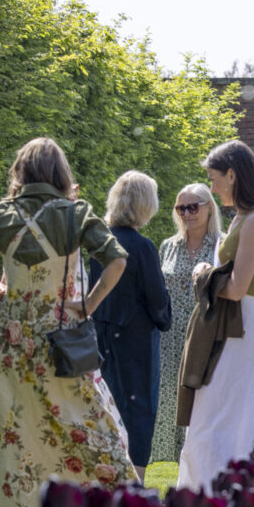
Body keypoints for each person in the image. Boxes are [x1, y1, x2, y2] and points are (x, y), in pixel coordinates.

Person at [0, 137, 137, 507]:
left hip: (9, 339)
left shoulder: (1, 215)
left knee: (11, 429)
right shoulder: (76, 214)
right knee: (89, 418)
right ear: (60, 174)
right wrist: (89, 304)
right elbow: (116, 259)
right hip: (60, 334)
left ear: (20, 173)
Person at [177, 140, 254, 490]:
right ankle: (205, 500)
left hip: (241, 330)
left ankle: (223, 499)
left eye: (213, 178)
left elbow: (238, 288)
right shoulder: (241, 218)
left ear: (232, 175)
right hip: (225, 327)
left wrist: (202, 273)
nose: (211, 186)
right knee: (209, 418)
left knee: (228, 420)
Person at [89, 171, 170, 480]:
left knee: (109, 408)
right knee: (139, 410)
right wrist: (164, 318)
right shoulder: (142, 246)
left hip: (103, 335)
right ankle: (134, 485)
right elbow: (157, 300)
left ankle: (109, 480)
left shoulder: (100, 242)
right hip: (136, 339)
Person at [152, 183, 221, 463]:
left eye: (193, 207)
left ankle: (203, 469)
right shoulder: (168, 246)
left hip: (207, 340)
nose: (187, 214)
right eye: (181, 208)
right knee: (169, 408)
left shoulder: (223, 244)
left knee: (205, 408)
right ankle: (181, 475)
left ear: (209, 208)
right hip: (169, 344)